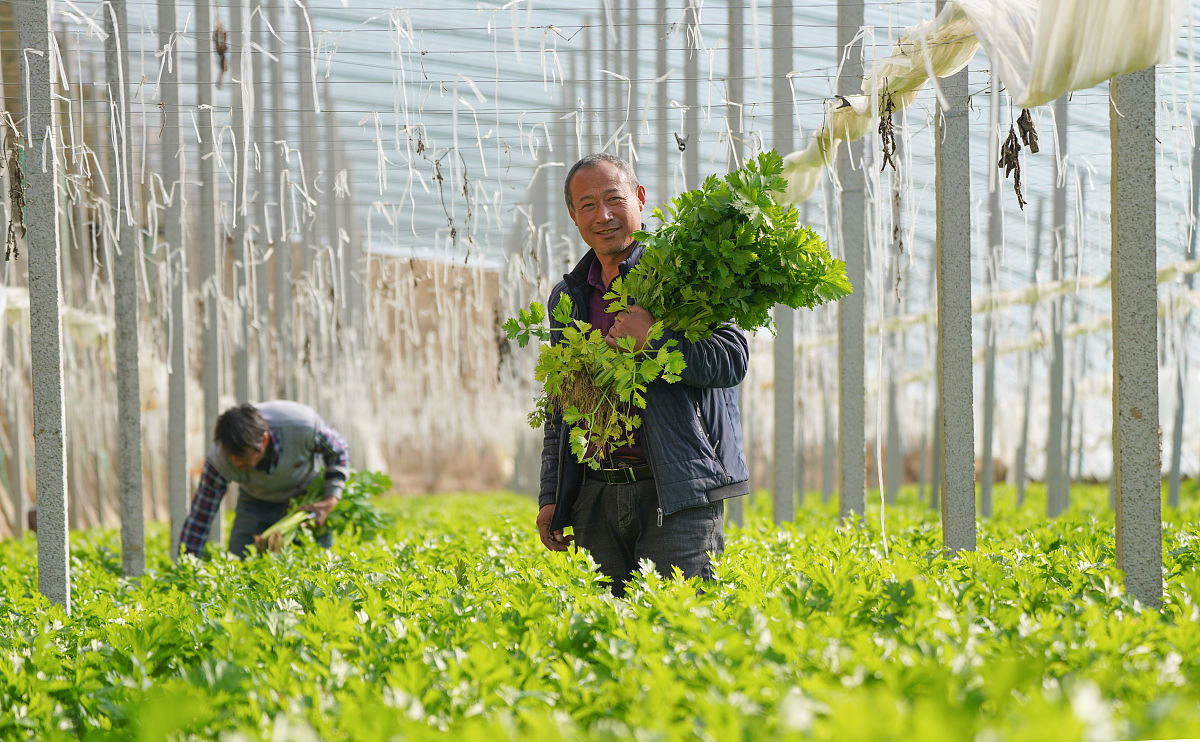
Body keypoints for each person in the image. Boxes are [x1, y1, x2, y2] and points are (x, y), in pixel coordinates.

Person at [537, 153, 750, 596]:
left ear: (639, 198)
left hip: (675, 493)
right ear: (573, 215)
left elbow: (731, 359)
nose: (604, 215)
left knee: (680, 634)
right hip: (595, 498)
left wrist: (655, 337)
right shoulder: (567, 298)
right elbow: (563, 405)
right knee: (607, 643)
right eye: (588, 204)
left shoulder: (682, 276)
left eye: (614, 199)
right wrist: (551, 496)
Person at [180, 401, 350, 558]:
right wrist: (187, 567)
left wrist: (331, 499)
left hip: (305, 502)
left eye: (241, 456)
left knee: (318, 566)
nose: (236, 463)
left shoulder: (302, 426)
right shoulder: (219, 461)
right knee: (241, 564)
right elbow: (200, 517)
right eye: (230, 456)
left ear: (264, 440)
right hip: (255, 504)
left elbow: (338, 449)